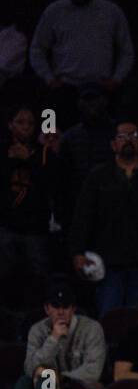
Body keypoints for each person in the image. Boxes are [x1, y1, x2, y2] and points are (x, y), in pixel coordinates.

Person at [69, 119, 138, 315]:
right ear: (113, 144)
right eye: (122, 136)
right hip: (108, 261)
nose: (128, 140)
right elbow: (83, 216)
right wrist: (77, 252)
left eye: (133, 136)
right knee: (109, 318)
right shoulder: (98, 176)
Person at [28, 0, 134, 96]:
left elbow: (126, 51)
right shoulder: (54, 11)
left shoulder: (111, 12)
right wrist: (49, 79)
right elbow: (37, 49)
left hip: (101, 88)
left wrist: (116, 79)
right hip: (64, 88)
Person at [14, 279, 106, 389]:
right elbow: (30, 369)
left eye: (66, 306)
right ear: (47, 309)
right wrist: (53, 339)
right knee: (25, 382)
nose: (61, 312)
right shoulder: (37, 330)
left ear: (73, 309)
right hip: (46, 387)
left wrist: (62, 378)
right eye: (56, 306)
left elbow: (93, 370)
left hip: (80, 386)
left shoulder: (91, 328)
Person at [0, 105, 61, 293]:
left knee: (40, 280)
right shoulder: (2, 150)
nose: (25, 127)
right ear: (10, 125)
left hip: (35, 229)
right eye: (20, 122)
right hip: (6, 226)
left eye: (30, 123)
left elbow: (51, 186)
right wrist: (11, 161)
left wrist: (28, 160)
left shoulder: (44, 153)